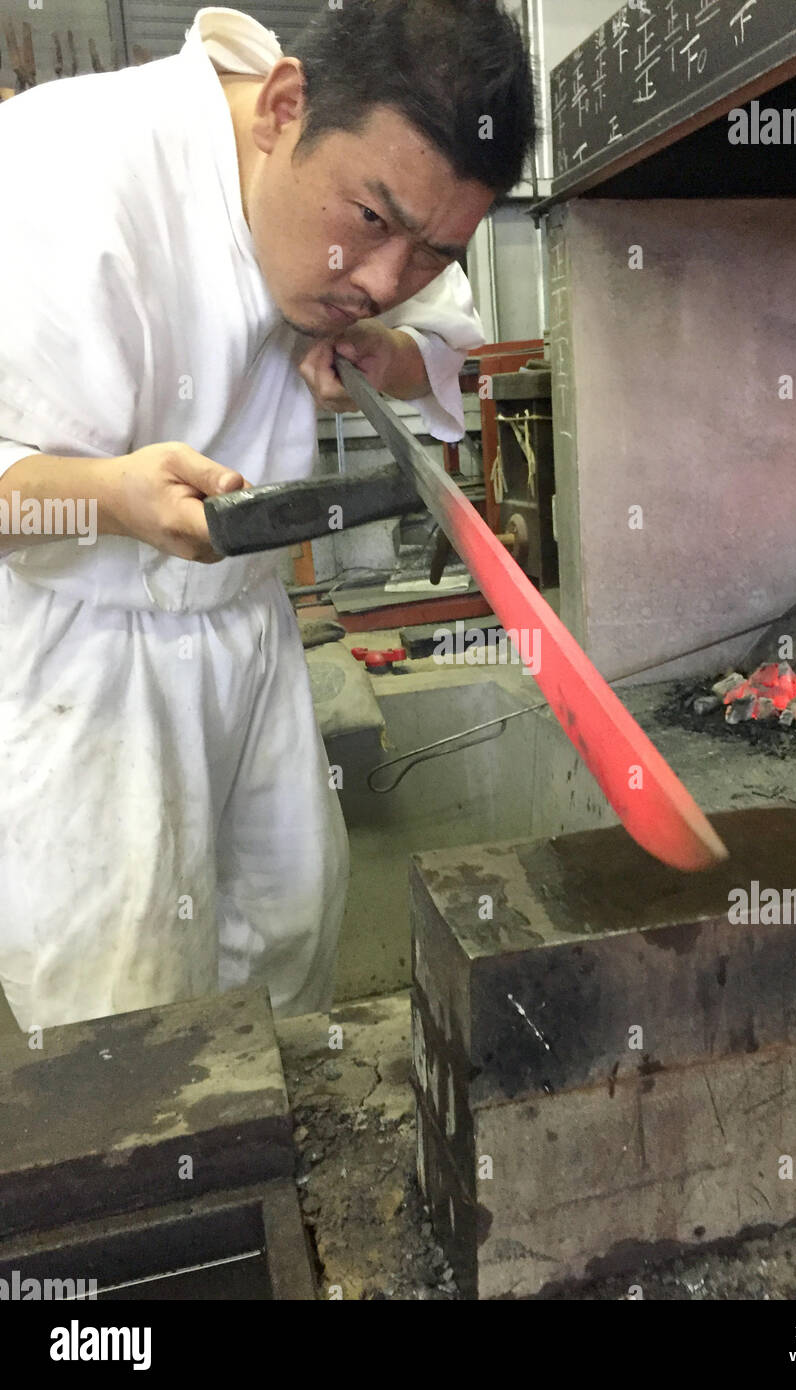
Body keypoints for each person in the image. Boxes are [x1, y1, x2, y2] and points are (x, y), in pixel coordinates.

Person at [0, 3, 536, 1030]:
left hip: (250, 631)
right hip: (85, 664)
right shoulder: (51, 172)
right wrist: (106, 495)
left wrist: (392, 348)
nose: (383, 278)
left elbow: (442, 336)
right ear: (282, 107)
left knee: (287, 950)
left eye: (427, 252)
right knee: (126, 1022)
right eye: (370, 225)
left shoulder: (395, 193)